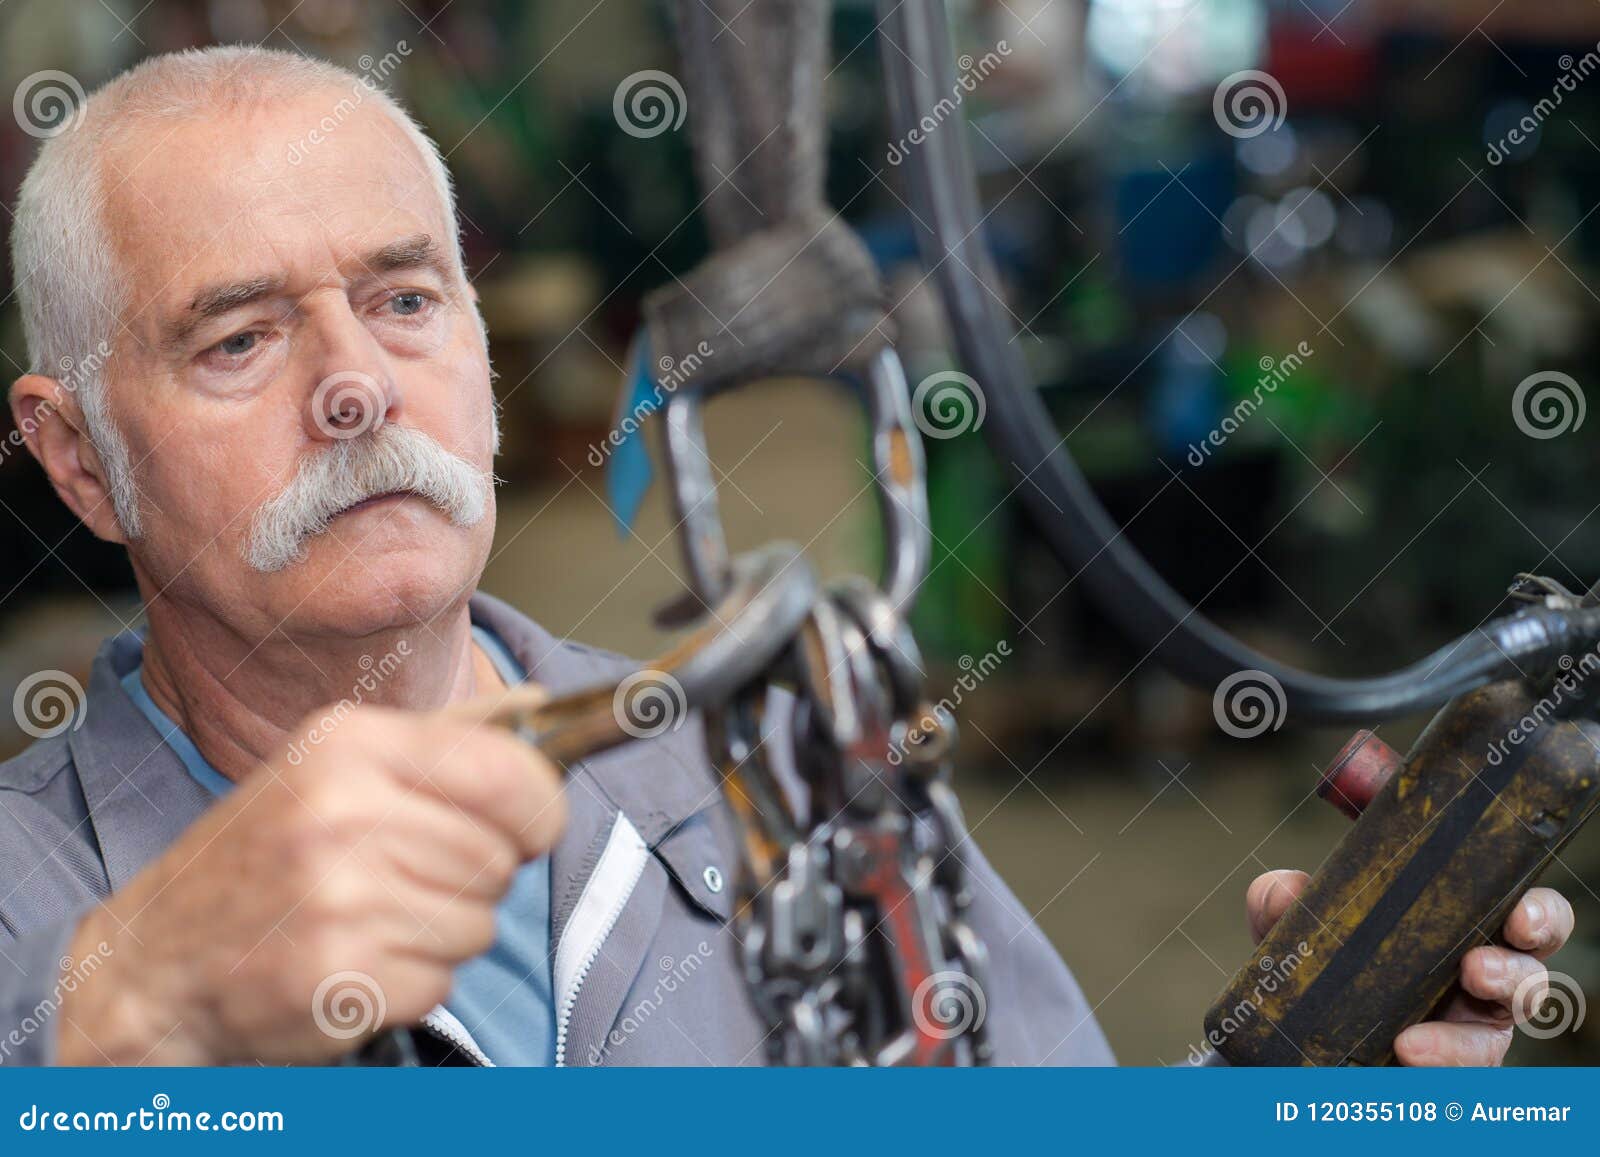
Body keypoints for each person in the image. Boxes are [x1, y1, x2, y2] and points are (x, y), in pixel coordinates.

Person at [0, 46, 1571, 1067]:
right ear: (77, 456)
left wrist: (1330, 1076)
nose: (354, 382)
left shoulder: (793, 766)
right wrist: (112, 1012)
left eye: (406, 300)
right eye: (239, 335)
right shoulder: (33, 898)